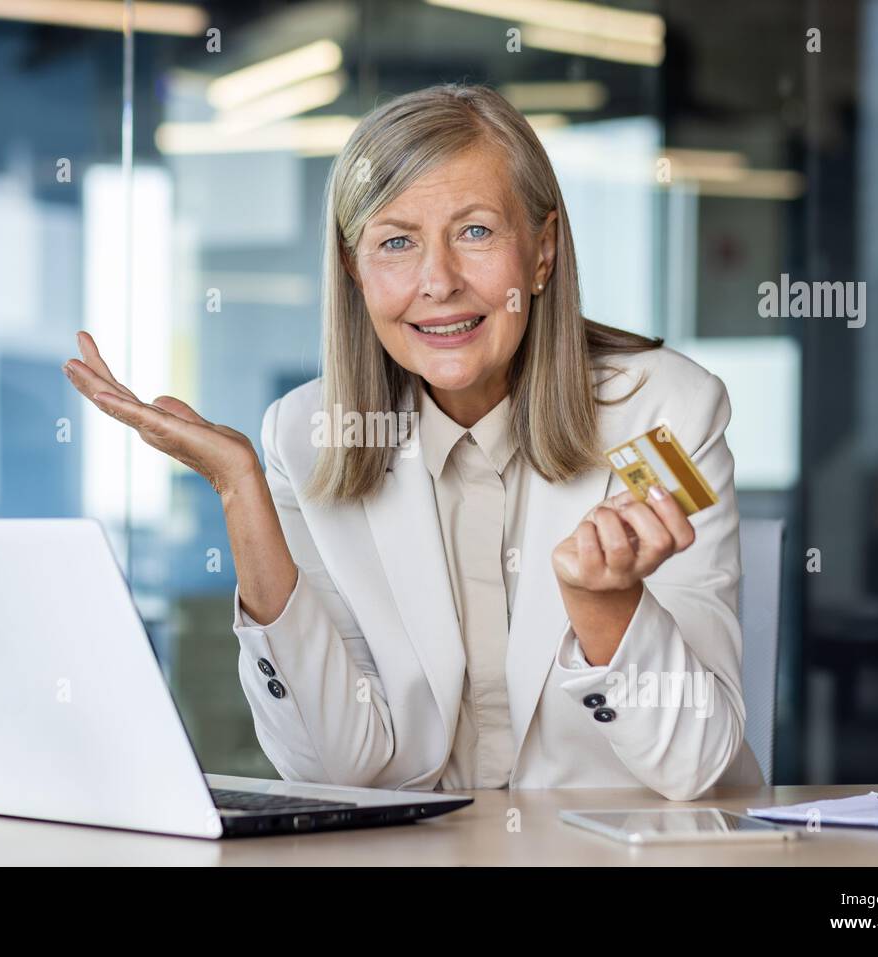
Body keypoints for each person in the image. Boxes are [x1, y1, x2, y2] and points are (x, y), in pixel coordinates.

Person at [63, 84, 762, 799]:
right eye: (396, 242)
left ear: (543, 251)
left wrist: (607, 608)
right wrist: (241, 491)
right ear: (354, 270)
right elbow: (335, 769)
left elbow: (699, 761)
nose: (439, 282)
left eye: (476, 232)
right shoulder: (306, 438)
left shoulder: (661, 418)